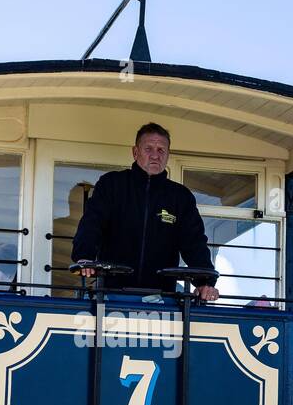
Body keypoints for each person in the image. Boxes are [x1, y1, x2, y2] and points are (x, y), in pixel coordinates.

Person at [71, 123, 219, 300]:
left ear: (168, 155)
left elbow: (194, 242)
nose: (155, 155)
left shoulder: (180, 197)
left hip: (162, 299)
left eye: (161, 150)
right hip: (110, 295)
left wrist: (205, 281)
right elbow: (92, 224)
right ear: (135, 152)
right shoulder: (112, 184)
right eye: (148, 149)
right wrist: (85, 257)